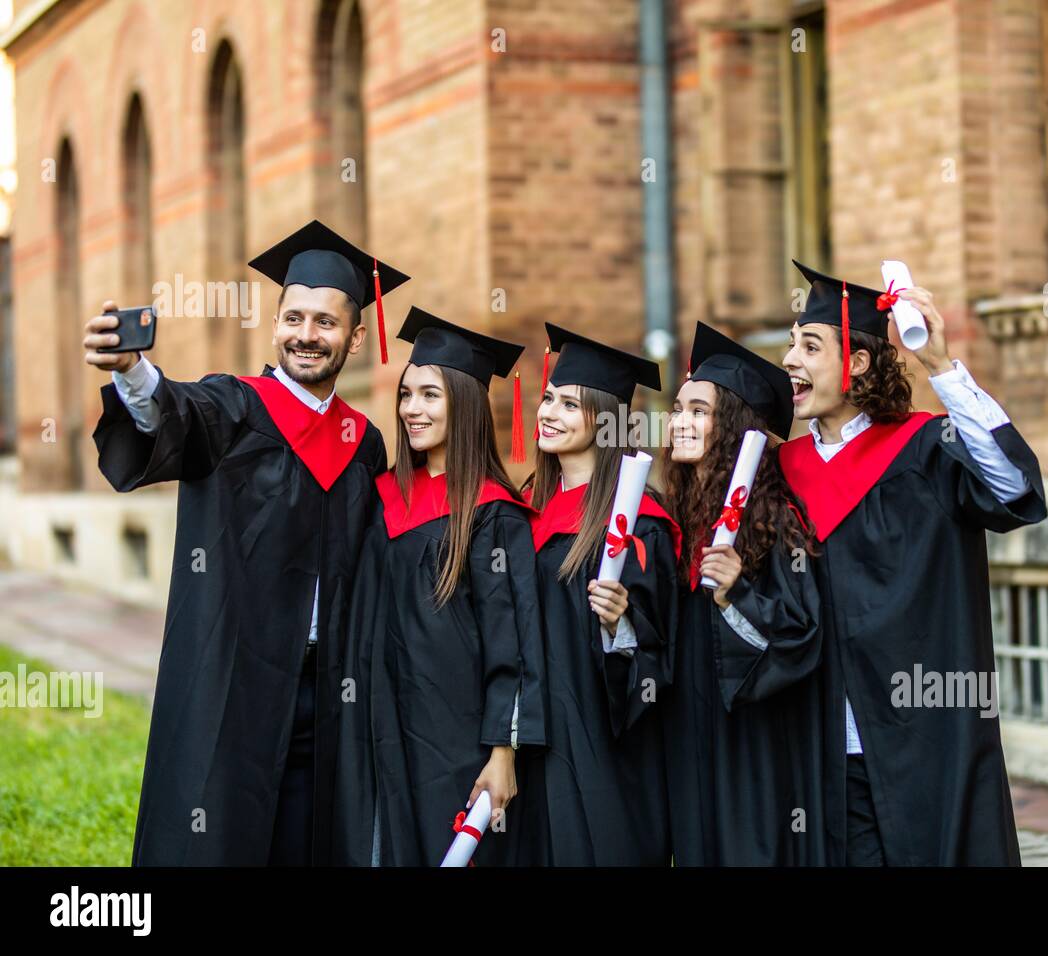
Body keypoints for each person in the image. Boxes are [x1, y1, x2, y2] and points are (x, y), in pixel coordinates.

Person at [85, 219, 409, 865]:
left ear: (355, 336)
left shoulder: (365, 442)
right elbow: (173, 409)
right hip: (236, 674)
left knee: (310, 829)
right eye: (294, 318)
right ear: (275, 324)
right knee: (221, 825)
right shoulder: (234, 409)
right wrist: (134, 372)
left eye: (324, 322)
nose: (306, 336)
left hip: (332, 679)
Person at [779, 259, 1047, 865]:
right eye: (791, 344)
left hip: (920, 739)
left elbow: (1011, 490)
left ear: (860, 361)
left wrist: (941, 366)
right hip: (816, 745)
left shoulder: (924, 450)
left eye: (810, 345)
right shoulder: (782, 472)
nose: (791, 360)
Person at [333, 309, 547, 866]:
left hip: (454, 735)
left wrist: (503, 751)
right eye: (406, 395)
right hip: (379, 722)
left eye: (430, 395)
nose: (411, 409)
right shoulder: (381, 498)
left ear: (465, 403)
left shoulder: (493, 514)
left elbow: (514, 644)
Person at [661, 321, 826, 866]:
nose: (681, 422)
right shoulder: (671, 519)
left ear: (731, 427)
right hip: (688, 730)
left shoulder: (776, 522)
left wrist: (736, 595)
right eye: (679, 409)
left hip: (750, 740)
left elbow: (801, 636)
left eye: (699, 411)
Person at [518, 323, 680, 866]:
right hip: (526, 740)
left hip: (601, 748)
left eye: (569, 404)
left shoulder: (639, 524)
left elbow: (660, 656)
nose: (548, 412)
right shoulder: (521, 512)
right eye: (548, 398)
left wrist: (620, 627)